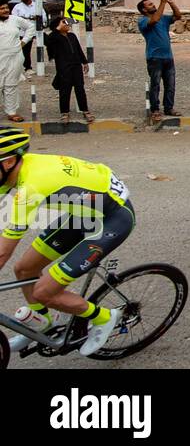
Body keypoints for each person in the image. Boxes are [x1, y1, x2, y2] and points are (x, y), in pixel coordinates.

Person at [0, 128, 132, 356]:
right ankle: (43, 322)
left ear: (9, 161)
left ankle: (105, 318)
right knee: (24, 270)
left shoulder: (30, 187)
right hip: (85, 212)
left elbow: (3, 252)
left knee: (44, 292)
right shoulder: (16, 170)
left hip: (113, 219)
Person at [137, 0, 182, 124]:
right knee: (155, 84)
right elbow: (154, 20)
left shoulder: (163, 18)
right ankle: (155, 110)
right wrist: (162, 3)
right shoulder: (143, 21)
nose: (154, 5)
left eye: (153, 3)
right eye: (150, 4)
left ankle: (169, 107)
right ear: (144, 10)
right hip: (154, 58)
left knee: (170, 84)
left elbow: (178, 16)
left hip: (168, 57)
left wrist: (170, 3)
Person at [43, 15, 94, 124]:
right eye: (64, 22)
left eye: (67, 22)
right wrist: (57, 28)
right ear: (57, 25)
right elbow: (48, 42)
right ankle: (64, 112)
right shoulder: (54, 37)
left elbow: (79, 49)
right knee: (65, 90)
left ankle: (85, 110)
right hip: (63, 67)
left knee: (80, 89)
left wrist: (84, 62)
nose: (67, 24)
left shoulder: (72, 36)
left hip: (76, 66)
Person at [0, 3, 26, 123]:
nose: (5, 10)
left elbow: (30, 27)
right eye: (2, 9)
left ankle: (11, 112)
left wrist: (24, 41)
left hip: (15, 57)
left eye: (6, 8)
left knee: (11, 85)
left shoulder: (15, 20)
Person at [12, 0, 39, 75]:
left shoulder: (37, 5)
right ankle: (27, 67)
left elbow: (43, 17)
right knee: (24, 50)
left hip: (35, 31)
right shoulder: (18, 7)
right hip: (21, 33)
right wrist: (28, 17)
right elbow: (14, 19)